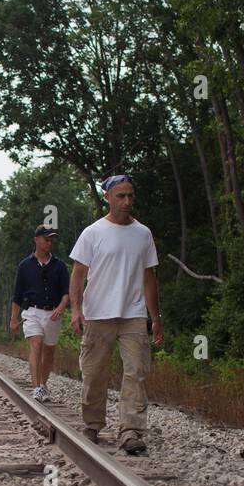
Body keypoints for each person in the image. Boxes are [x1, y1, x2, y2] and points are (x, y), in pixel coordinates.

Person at [68, 173, 163, 453]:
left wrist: (155, 318)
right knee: (94, 373)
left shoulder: (143, 234)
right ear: (107, 197)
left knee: (136, 371)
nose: (126, 201)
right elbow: (78, 275)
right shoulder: (93, 233)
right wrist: (76, 310)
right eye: (120, 196)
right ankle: (93, 425)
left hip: (133, 314)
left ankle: (130, 430)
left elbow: (149, 278)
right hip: (98, 314)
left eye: (130, 196)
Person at [9, 225, 70, 401]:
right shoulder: (24, 266)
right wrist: (13, 319)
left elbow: (66, 293)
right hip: (32, 312)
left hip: (53, 313)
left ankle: (43, 385)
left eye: (52, 240)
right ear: (36, 240)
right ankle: (36, 388)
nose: (49, 243)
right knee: (36, 345)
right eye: (46, 239)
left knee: (49, 351)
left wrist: (61, 307)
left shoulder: (59, 266)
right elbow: (17, 295)